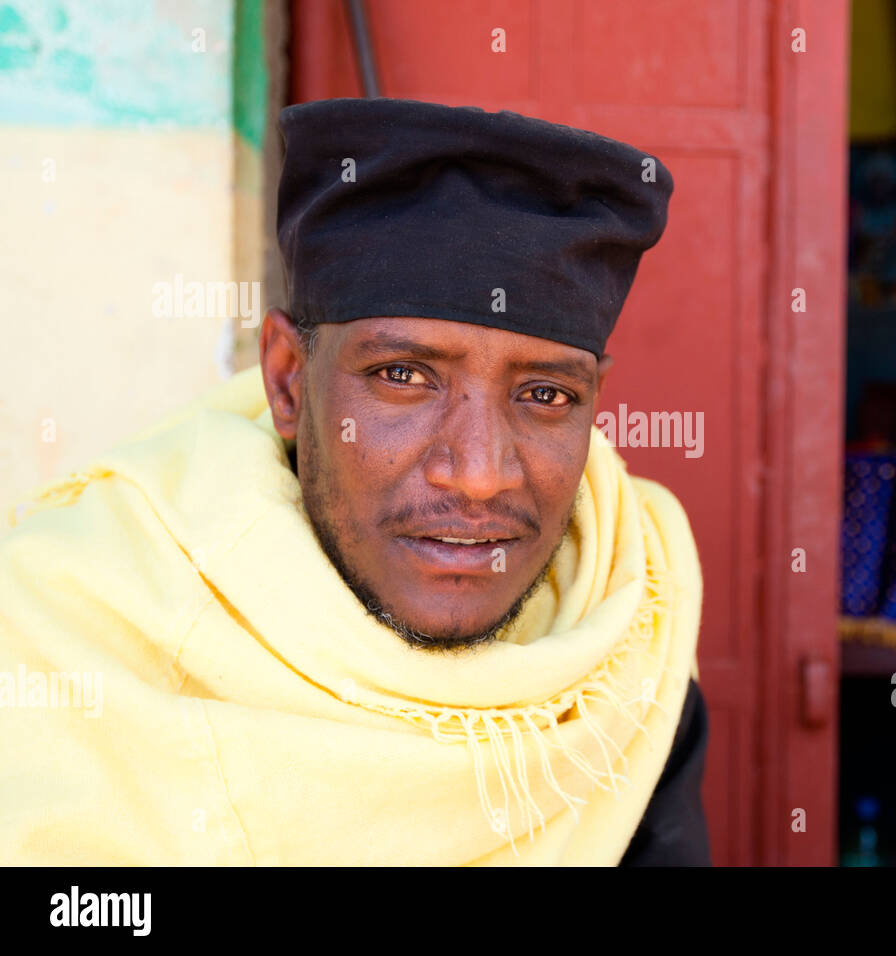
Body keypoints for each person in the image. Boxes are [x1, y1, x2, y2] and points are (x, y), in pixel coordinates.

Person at [0, 98, 709, 866]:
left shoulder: (627, 614)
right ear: (287, 380)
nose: (476, 475)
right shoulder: (63, 626)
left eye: (545, 394)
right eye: (403, 375)